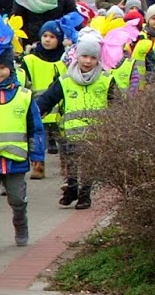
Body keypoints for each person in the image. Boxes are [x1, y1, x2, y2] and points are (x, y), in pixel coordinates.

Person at [0, 32, 43, 254]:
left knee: (17, 200)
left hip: (16, 160)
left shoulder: (24, 96)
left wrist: (38, 156)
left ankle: (21, 228)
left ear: (10, 68)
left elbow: (35, 128)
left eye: (1, 67)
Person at [34, 29, 109, 209]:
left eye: (92, 58)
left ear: (98, 59)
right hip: (70, 133)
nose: (88, 61)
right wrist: (33, 114)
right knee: (72, 164)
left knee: (89, 165)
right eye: (84, 56)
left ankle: (85, 196)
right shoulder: (66, 80)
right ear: (77, 56)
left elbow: (119, 104)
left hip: (96, 133)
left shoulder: (106, 79)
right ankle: (72, 190)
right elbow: (47, 100)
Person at [21, 20, 67, 168]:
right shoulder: (29, 60)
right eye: (45, 36)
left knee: (64, 140)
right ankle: (38, 166)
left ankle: (66, 166)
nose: (47, 39)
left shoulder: (64, 61)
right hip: (38, 107)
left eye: (52, 37)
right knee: (38, 139)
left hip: (60, 111)